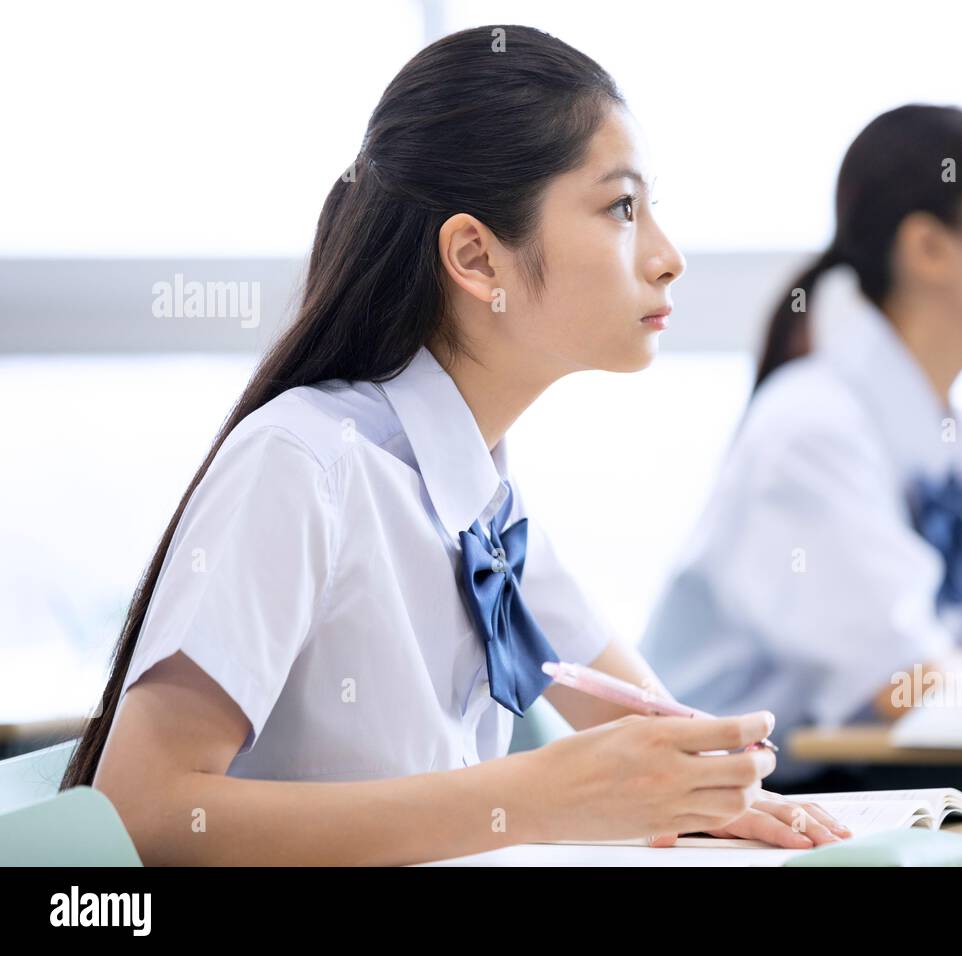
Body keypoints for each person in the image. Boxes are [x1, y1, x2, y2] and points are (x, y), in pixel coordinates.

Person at [65, 25, 851, 863]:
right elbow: (141, 816)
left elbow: (669, 748)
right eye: (623, 208)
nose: (669, 258)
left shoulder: (483, 499)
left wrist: (718, 792)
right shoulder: (303, 465)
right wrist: (540, 796)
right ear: (478, 258)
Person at [641, 104, 962, 789]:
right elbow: (913, 690)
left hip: (859, 796)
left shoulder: (958, 441)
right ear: (930, 249)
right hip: (734, 815)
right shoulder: (814, 428)